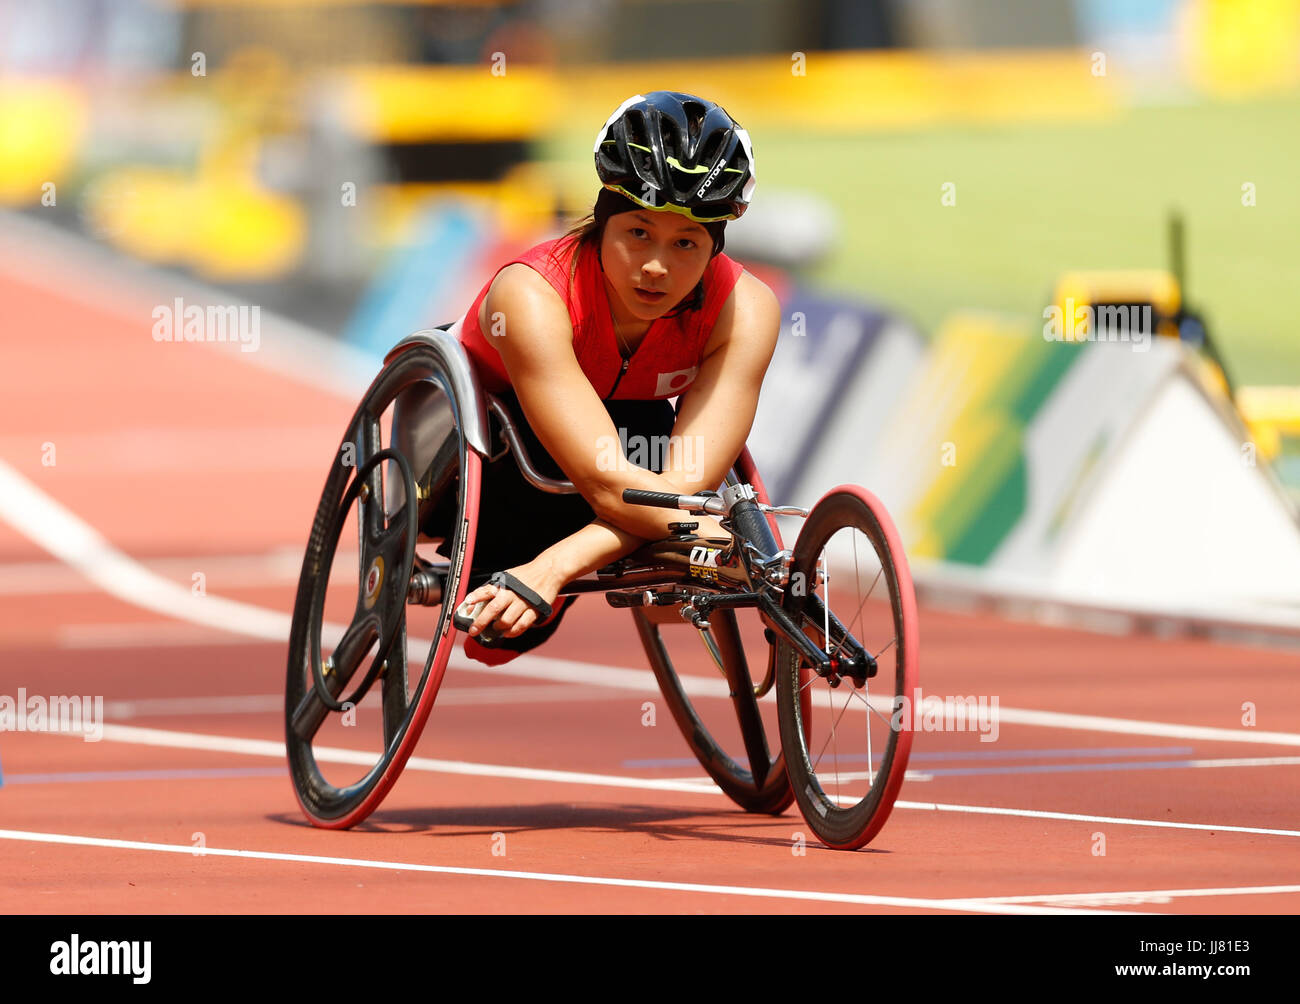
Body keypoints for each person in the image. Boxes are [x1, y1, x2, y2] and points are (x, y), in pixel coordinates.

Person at [436, 90, 780, 665]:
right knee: (497, 642)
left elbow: (681, 495)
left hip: (634, 444)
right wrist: (719, 543)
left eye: (686, 244)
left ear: (715, 246)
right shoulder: (531, 295)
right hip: (500, 447)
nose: (655, 266)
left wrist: (555, 565)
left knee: (676, 591)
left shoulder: (745, 309)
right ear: (602, 220)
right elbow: (614, 489)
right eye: (638, 233)